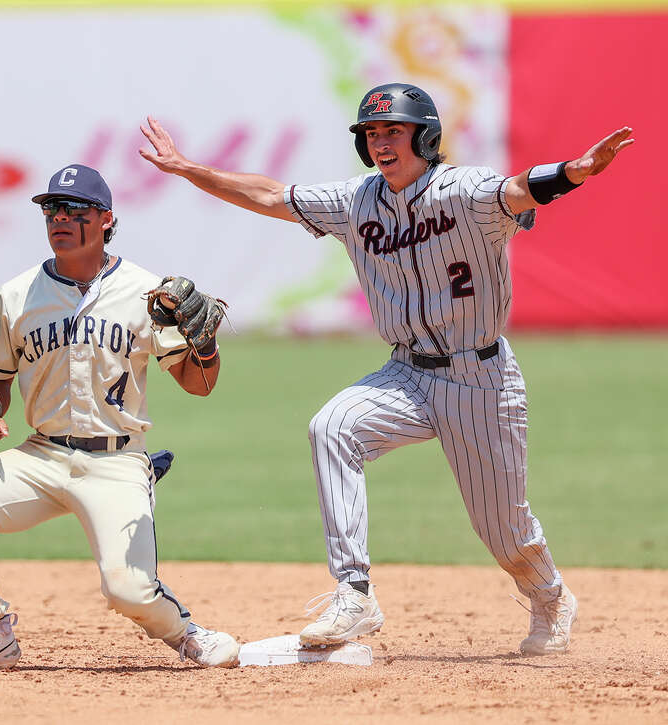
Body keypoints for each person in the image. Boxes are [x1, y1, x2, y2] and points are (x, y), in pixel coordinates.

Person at [139, 83, 634, 655]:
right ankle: (354, 594)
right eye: (371, 133)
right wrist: (185, 168)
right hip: (407, 373)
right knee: (333, 426)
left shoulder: (465, 191)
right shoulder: (356, 201)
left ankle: (549, 596)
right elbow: (272, 195)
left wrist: (576, 169)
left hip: (480, 378)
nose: (379, 143)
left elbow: (522, 189)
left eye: (392, 130)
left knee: (504, 531)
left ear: (424, 135)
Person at [0, 163, 240, 672]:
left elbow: (198, 383)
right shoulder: (17, 294)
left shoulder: (146, 291)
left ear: (106, 220)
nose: (60, 218)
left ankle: (187, 635)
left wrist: (204, 344)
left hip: (116, 461)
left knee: (126, 591)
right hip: (42, 453)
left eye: (75, 210)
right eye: (52, 209)